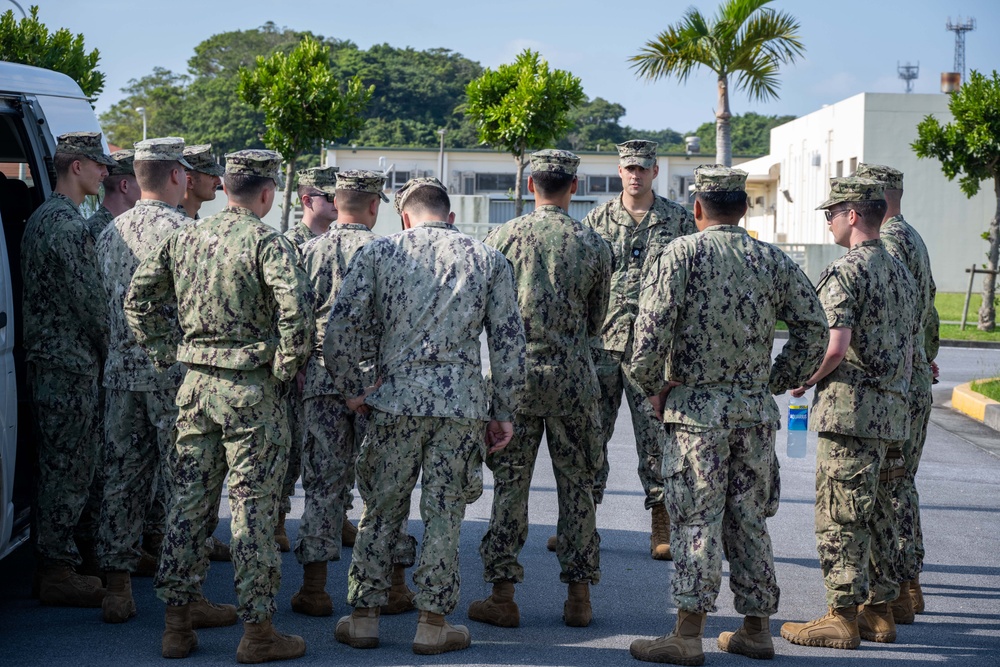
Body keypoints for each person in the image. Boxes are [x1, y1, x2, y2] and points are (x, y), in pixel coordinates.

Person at [626, 165, 829, 664]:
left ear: (697, 208)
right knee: (749, 519)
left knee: (696, 520)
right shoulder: (771, 259)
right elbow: (814, 328)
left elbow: (648, 337)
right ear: (743, 208)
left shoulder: (679, 254)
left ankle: (687, 635)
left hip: (696, 415)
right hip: (754, 413)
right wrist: (775, 380)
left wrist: (653, 388)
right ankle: (756, 629)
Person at [125, 149, 313, 662]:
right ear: (268, 194)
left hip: (196, 387)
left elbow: (136, 301)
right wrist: (281, 369)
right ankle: (258, 634)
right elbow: (298, 317)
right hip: (251, 391)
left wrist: (169, 351)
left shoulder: (183, 235)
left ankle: (177, 626)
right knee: (252, 511)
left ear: (225, 188)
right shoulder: (268, 242)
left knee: (188, 504)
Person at [325, 176, 526, 655]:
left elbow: (340, 331)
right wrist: (503, 411)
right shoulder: (487, 258)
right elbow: (509, 347)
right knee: (445, 513)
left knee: (381, 509)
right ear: (450, 216)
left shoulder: (378, 253)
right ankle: (433, 623)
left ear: (405, 216)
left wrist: (353, 389)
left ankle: (364, 617)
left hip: (394, 400)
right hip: (460, 406)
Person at [96, 137, 236, 631]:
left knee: (122, 479)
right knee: (188, 484)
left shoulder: (110, 231)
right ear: (178, 175)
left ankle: (116, 588)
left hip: (120, 375)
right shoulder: (187, 233)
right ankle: (187, 593)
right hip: (175, 376)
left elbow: (103, 308)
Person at [469, 149, 610, 629]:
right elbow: (597, 321)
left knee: (511, 486)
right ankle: (579, 598)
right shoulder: (593, 243)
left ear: (531, 185)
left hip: (515, 383)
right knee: (579, 487)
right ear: (573, 186)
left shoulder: (500, 238)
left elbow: (486, 318)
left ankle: (502, 595)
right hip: (574, 381)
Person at [780, 177, 917, 650]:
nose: (829, 221)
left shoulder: (847, 271)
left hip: (850, 415)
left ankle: (840, 615)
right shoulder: (899, 270)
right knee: (877, 511)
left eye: (831, 213)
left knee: (840, 516)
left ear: (853, 215)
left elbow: (835, 346)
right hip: (891, 415)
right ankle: (878, 612)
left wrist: (804, 378)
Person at [580, 139, 697, 560]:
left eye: (643, 168)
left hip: (653, 350)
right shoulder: (597, 220)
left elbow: (692, 286)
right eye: (629, 168)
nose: (635, 175)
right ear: (619, 170)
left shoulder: (678, 221)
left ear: (654, 172)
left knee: (656, 439)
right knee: (592, 435)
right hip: (603, 346)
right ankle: (582, 524)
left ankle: (660, 523)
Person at [289, 169, 392, 617]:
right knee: (382, 485)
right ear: (373, 205)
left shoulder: (308, 251)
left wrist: (296, 367)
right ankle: (389, 587)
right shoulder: (387, 253)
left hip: (319, 381)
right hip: (373, 385)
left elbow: (292, 316)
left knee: (321, 484)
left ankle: (314, 589)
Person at [22, 131, 114, 607]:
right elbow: (94, 307)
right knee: (70, 468)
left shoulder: (42, 218)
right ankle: (58, 569)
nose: (105, 172)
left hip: (51, 362)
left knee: (59, 463)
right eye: (97, 164)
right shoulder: (67, 227)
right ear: (75, 166)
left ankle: (60, 562)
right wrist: (114, 348)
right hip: (70, 366)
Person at [855, 163, 938, 621]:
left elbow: (892, 315)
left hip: (898, 385)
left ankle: (903, 587)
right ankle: (905, 585)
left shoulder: (889, 242)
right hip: (913, 376)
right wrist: (925, 353)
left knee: (892, 486)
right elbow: (928, 307)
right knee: (898, 483)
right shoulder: (912, 236)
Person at [274, 165, 342, 555]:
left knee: (332, 450)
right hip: (297, 365)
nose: (335, 203)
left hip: (331, 366)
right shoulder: (290, 244)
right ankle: (280, 519)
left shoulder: (339, 241)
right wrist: (294, 361)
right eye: (328, 196)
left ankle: (339, 516)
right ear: (307, 200)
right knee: (289, 447)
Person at [87, 149, 139, 238]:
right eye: (142, 182)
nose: (147, 188)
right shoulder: (96, 230)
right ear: (124, 186)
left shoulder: (132, 224)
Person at [177, 144, 223, 220]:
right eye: (212, 176)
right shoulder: (175, 224)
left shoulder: (190, 219)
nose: (219, 182)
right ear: (189, 182)